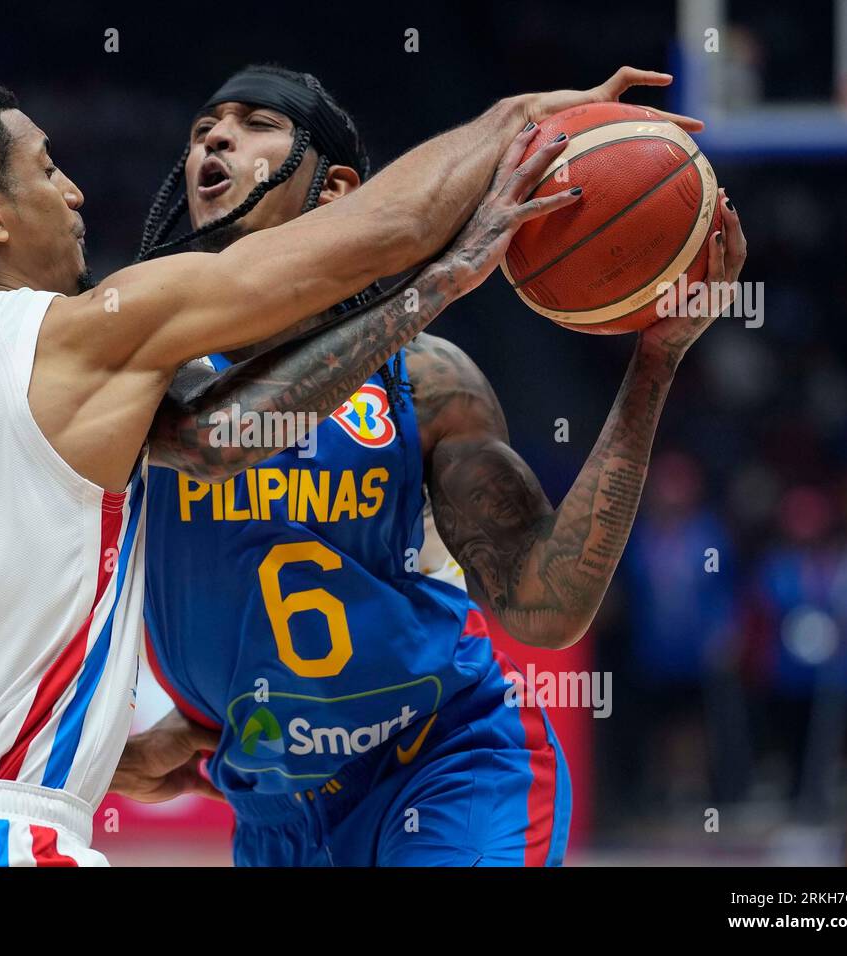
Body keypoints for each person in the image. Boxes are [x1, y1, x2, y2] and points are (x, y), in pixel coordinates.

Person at [0, 69, 639, 866]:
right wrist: (514, 121)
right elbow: (391, 236)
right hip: (21, 832)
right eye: (47, 168)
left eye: (253, 125)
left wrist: (100, 743)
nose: (74, 193)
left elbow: (214, 443)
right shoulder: (78, 347)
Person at [114, 65, 745, 866]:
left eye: (255, 123)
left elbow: (545, 608)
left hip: (449, 759)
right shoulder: (146, 355)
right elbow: (219, 439)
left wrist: (654, 364)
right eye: (206, 125)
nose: (216, 136)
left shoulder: (427, 378)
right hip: (273, 805)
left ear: (336, 189)